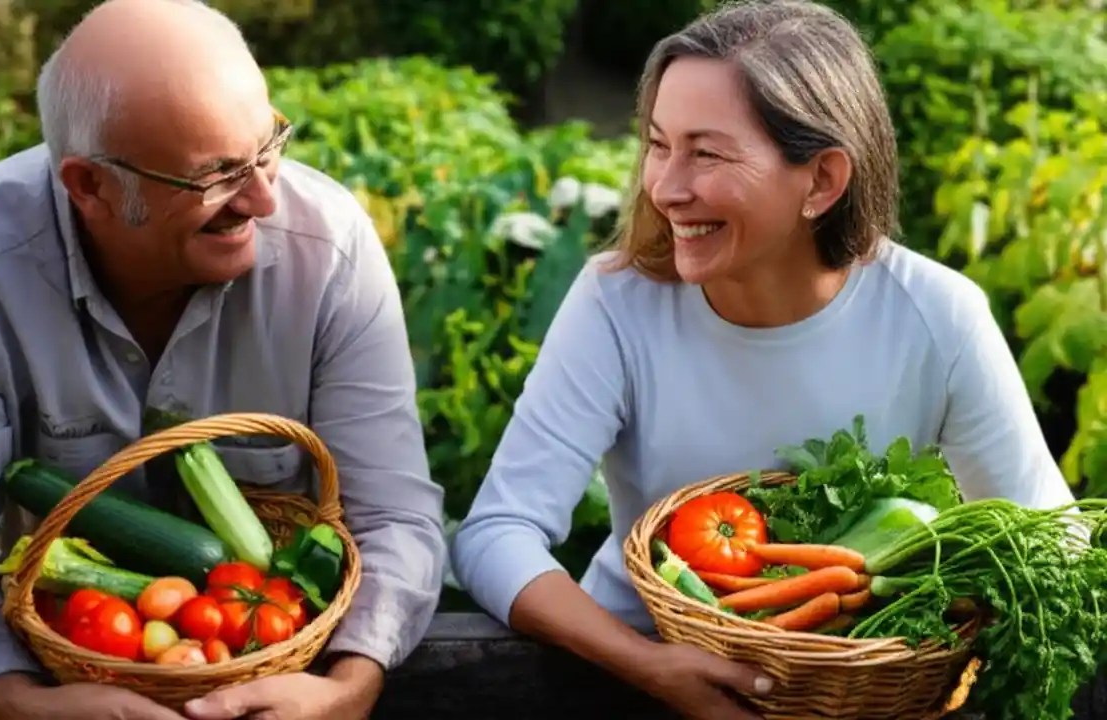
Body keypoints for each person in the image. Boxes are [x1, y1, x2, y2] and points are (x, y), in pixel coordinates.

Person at [449, 1, 1076, 719]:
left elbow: (1051, 547)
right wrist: (650, 666)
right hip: (630, 690)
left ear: (822, 181)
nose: (665, 186)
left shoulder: (937, 316)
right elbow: (497, 536)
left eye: (707, 153)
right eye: (659, 144)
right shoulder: (617, 304)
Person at [0, 1, 446, 719]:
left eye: (270, 148)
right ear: (90, 186)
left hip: (283, 671)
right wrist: (17, 706)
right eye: (219, 176)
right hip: (58, 676)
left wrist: (349, 687)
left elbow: (395, 518)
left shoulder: (331, 254)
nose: (266, 199)